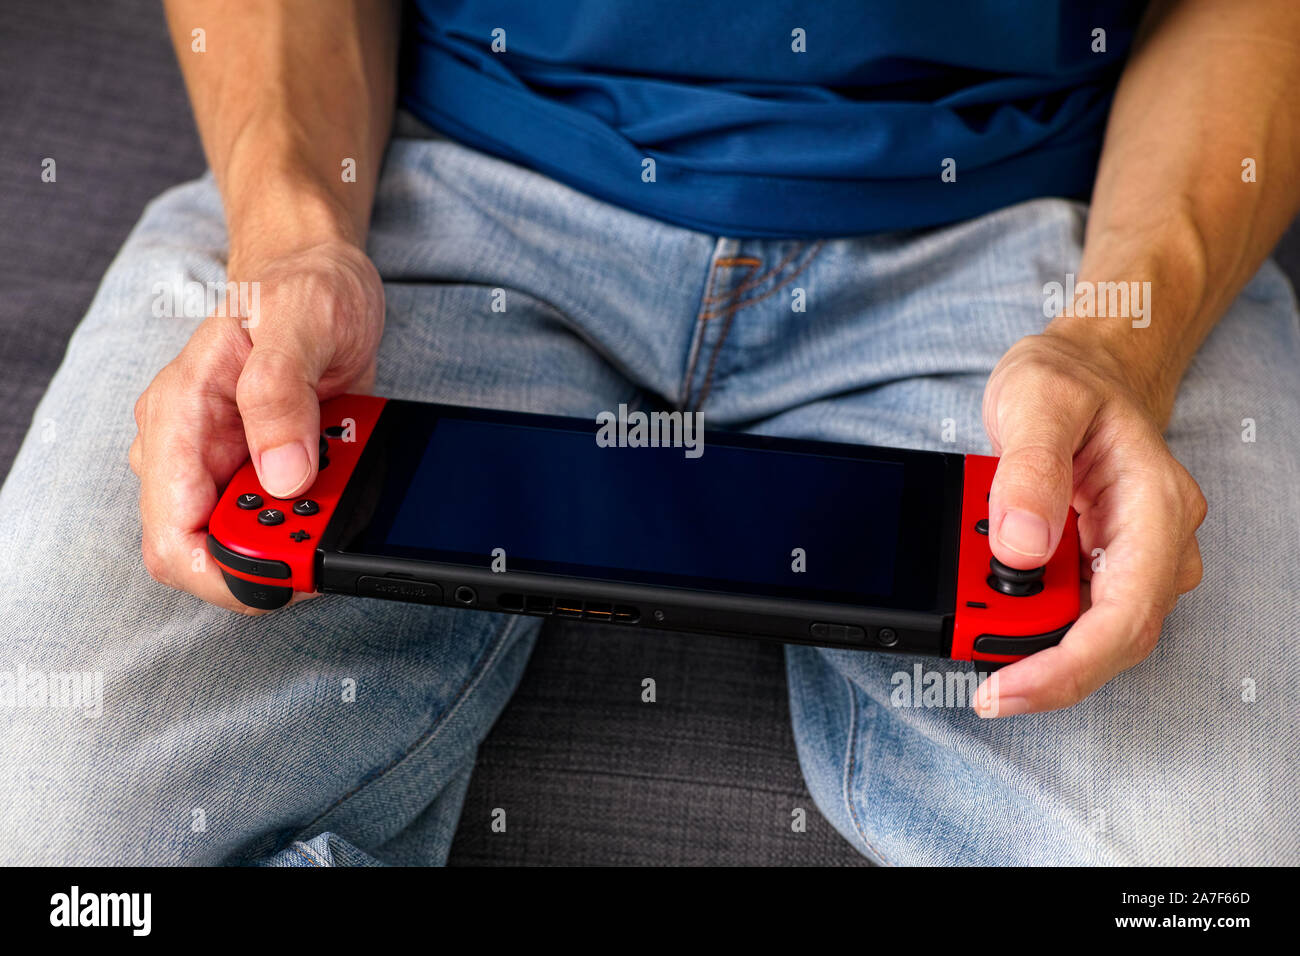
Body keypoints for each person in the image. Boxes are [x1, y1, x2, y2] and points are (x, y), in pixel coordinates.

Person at [1, 0, 1296, 865]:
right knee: (45, 819)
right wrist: (293, 231)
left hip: (1053, 247)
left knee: (1214, 862)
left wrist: (1120, 339)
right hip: (415, 177)